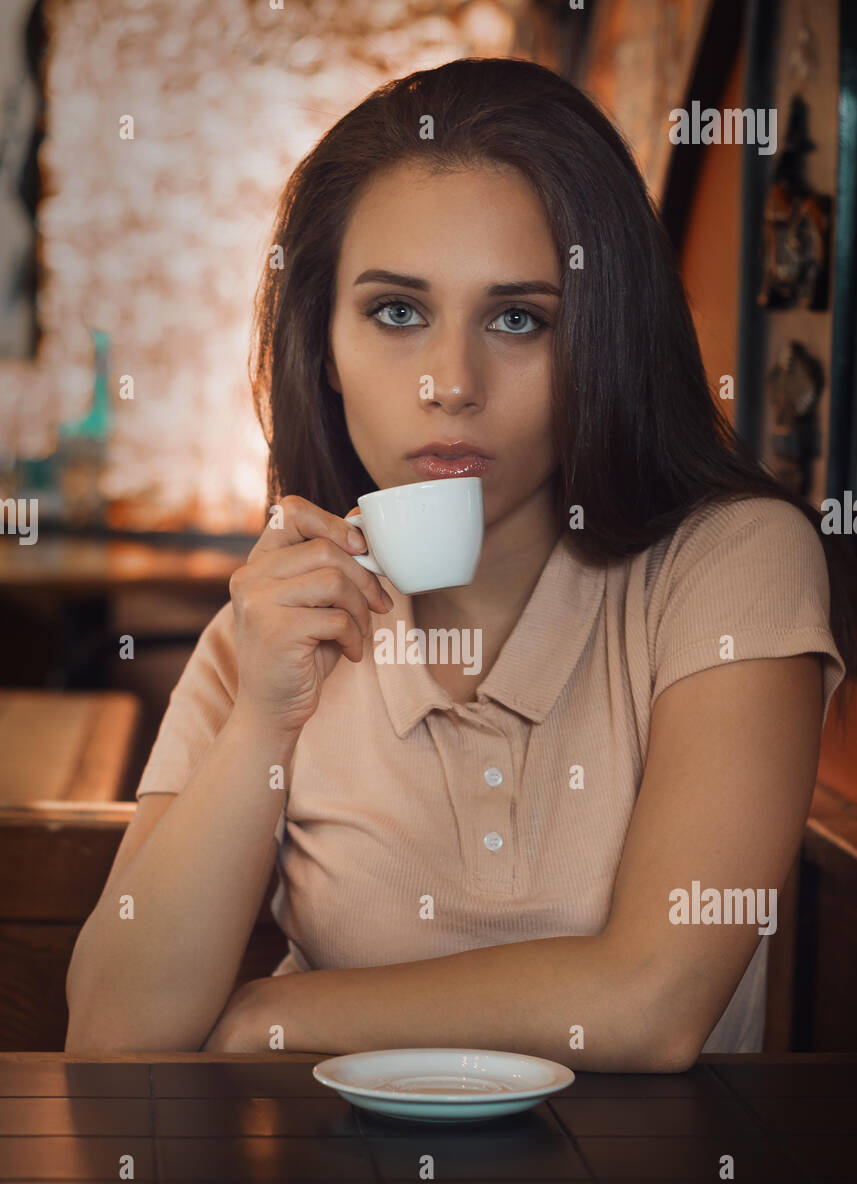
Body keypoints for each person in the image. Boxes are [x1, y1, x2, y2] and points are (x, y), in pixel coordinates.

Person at [65, 58, 856, 1068]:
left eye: (516, 317)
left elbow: (649, 1000)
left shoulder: (729, 564)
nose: (450, 383)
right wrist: (265, 713)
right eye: (397, 312)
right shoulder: (267, 633)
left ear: (600, 340)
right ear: (322, 344)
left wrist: (274, 1019)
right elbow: (115, 1031)